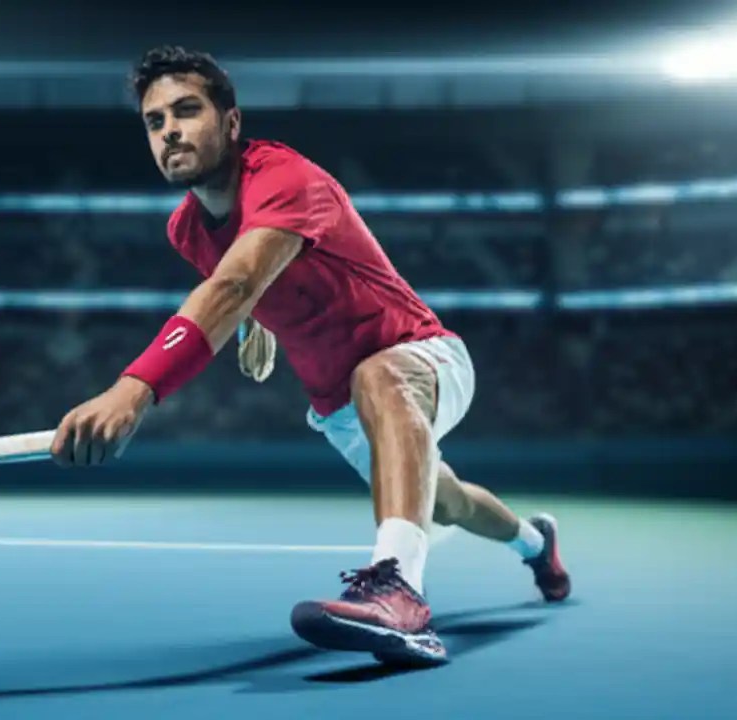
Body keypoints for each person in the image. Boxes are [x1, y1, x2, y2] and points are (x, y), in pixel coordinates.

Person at [48, 45, 570, 666]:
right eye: (155, 123)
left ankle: (401, 595)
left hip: (419, 354)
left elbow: (235, 284)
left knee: (380, 375)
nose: (170, 131)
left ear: (231, 123)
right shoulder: (186, 230)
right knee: (443, 501)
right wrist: (254, 324)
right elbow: (248, 280)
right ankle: (537, 545)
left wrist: (132, 389)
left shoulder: (288, 178)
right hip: (339, 405)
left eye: (186, 111)